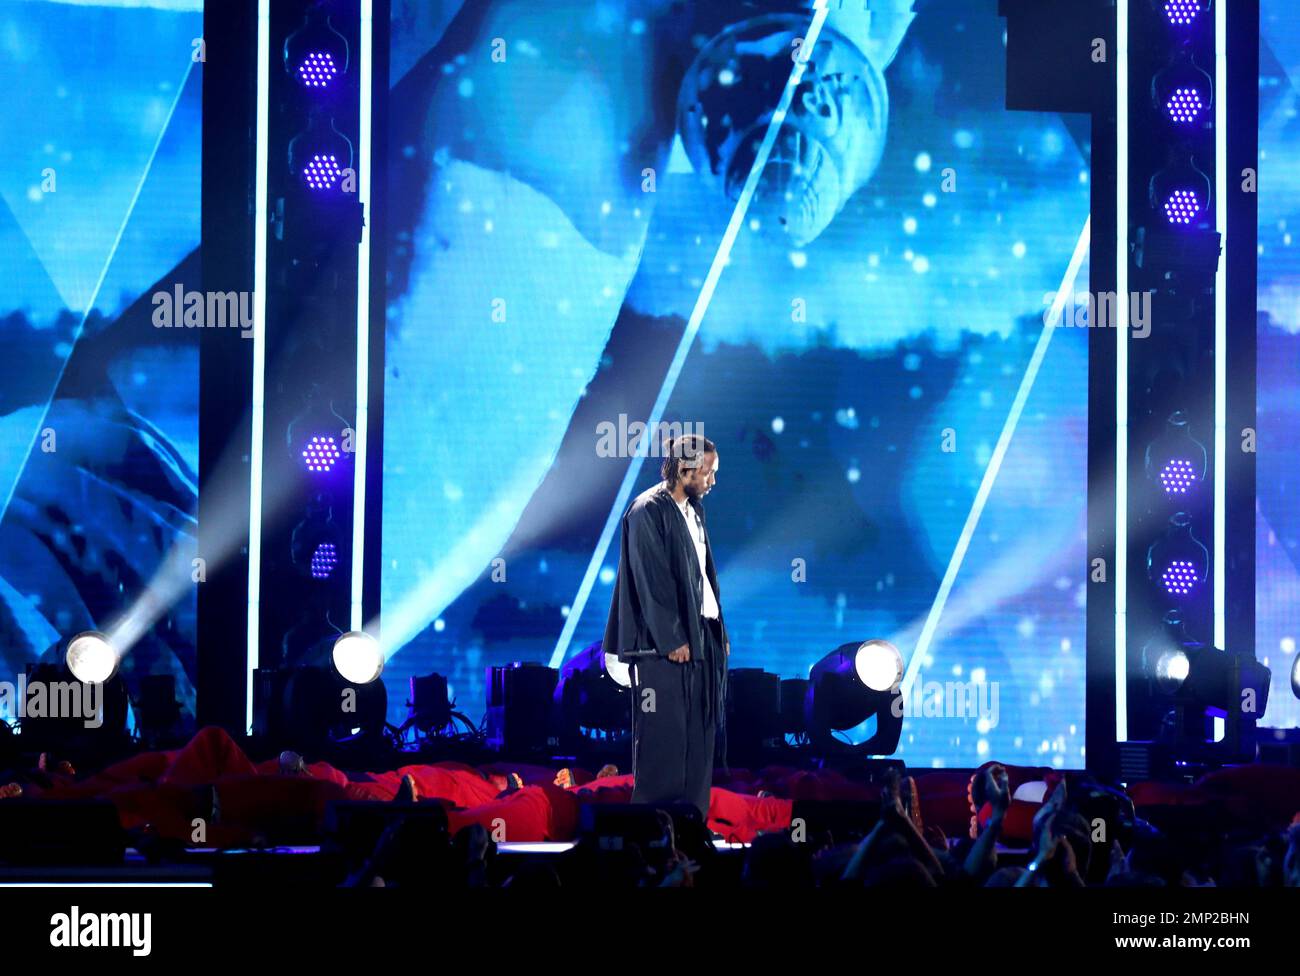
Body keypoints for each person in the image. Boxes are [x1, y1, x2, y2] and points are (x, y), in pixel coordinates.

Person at [603, 433, 730, 819]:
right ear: (685, 468)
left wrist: (717, 631)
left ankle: (692, 825)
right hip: (663, 647)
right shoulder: (647, 510)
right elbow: (650, 579)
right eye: (707, 473)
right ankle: (653, 832)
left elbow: (702, 579)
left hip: (700, 638)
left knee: (699, 736)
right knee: (664, 739)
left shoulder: (694, 512)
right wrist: (671, 637)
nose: (712, 481)